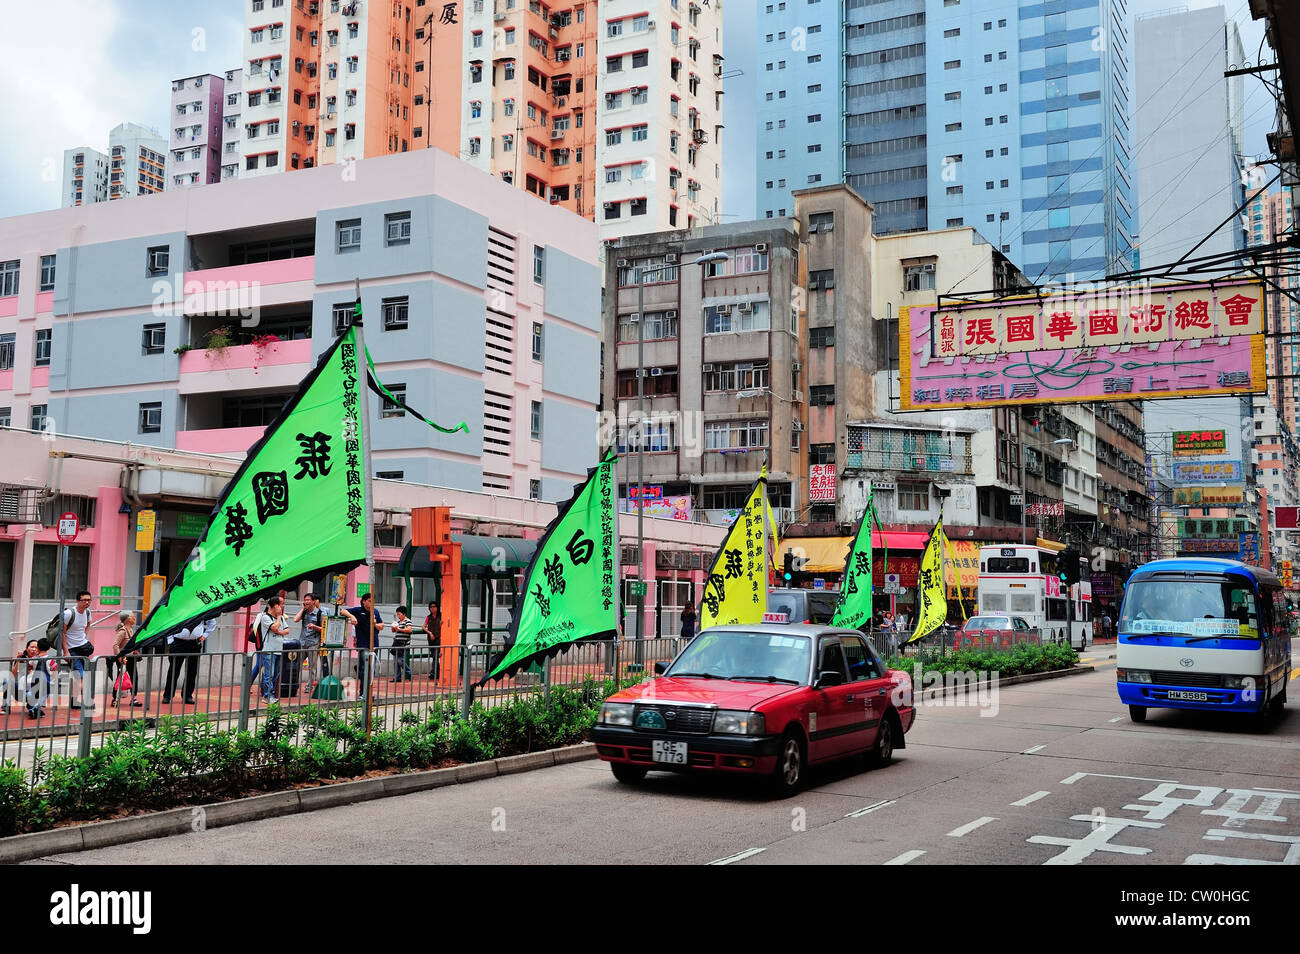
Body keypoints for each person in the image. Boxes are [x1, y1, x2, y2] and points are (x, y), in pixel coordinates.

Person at [342, 593, 385, 695]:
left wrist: (375, 624)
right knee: (364, 668)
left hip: (374, 644)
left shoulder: (375, 612)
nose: (371, 603)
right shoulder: (358, 610)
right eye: (369, 601)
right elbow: (342, 611)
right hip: (363, 644)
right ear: (364, 601)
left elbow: (381, 625)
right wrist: (352, 617)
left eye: (373, 601)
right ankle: (363, 692)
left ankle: (368, 692)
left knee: (371, 668)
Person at [61, 590, 95, 709]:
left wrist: (84, 636)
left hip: (83, 647)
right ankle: (85, 701)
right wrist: (66, 651)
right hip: (72, 650)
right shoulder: (69, 613)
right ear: (77, 601)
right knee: (80, 676)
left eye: (89, 600)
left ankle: (75, 702)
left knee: (81, 676)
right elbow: (62, 633)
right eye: (84, 600)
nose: (87, 602)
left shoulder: (87, 612)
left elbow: (88, 624)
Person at [255, 598, 291, 703]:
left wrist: (279, 630)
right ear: (275, 606)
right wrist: (279, 617)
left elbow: (287, 630)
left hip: (279, 650)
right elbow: (274, 628)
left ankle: (271, 694)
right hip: (269, 650)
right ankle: (267, 696)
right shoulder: (266, 617)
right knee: (268, 674)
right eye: (281, 605)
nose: (282, 607)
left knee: (276, 674)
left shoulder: (281, 619)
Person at [164, 619, 206, 705]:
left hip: (195, 643)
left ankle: (188, 695)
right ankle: (167, 695)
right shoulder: (179, 607)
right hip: (178, 642)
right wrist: (170, 640)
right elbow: (168, 622)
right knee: (174, 669)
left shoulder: (202, 607)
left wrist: (205, 635)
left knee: (192, 671)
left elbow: (212, 621)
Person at [293, 593, 328, 690]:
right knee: (297, 665)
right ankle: (294, 684)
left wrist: (315, 626)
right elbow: (295, 619)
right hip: (302, 642)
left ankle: (309, 685)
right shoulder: (304, 612)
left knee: (312, 666)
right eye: (305, 600)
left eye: (308, 600)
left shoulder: (321, 613)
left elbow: (325, 629)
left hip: (313, 643)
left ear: (313, 601)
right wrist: (302, 609)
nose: (306, 602)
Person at [109, 611, 142, 707]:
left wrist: (135, 651)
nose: (135, 618)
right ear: (128, 619)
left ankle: (133, 699)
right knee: (120, 678)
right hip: (123, 659)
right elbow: (115, 645)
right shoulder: (123, 631)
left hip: (131, 658)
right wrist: (119, 657)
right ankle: (115, 699)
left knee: (134, 677)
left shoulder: (130, 630)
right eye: (133, 617)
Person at [12, 640, 51, 720]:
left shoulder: (41, 660)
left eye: (36, 647)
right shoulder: (24, 658)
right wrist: (19, 660)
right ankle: (6, 708)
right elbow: (12, 674)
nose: (34, 649)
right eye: (32, 647)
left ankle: (34, 708)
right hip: (23, 689)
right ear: (26, 648)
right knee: (7, 682)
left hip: (35, 690)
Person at [389, 606, 414, 682]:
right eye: (397, 614)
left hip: (403, 643)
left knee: (400, 660)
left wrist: (399, 629)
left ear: (404, 614)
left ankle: (409, 672)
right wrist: (393, 626)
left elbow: (409, 630)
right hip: (396, 642)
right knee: (395, 661)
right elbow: (393, 631)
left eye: (399, 614)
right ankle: (397, 677)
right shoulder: (398, 622)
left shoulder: (408, 621)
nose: (398, 616)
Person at [422, 601, 442, 681]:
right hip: (431, 639)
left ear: (437, 607)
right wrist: (430, 633)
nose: (432, 608)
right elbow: (423, 627)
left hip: (439, 638)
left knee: (436, 656)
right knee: (434, 656)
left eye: (434, 606)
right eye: (431, 607)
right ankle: (436, 672)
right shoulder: (428, 617)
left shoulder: (441, 615)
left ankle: (434, 673)